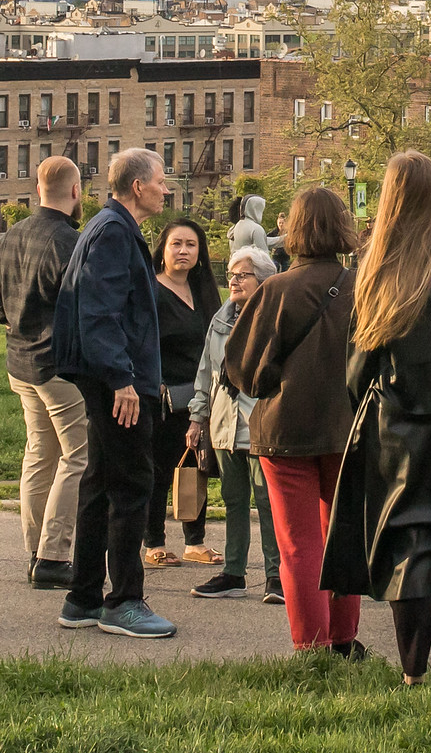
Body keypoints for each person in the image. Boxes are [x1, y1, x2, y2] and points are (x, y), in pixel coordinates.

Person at [324, 152, 431, 684]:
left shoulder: (382, 264)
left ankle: (413, 671)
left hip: (398, 423)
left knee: (408, 542)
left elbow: (359, 363)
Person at [225, 185, 363, 648]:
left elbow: (241, 367)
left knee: (298, 544)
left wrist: (270, 381)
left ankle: (311, 643)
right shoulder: (363, 289)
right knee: (341, 536)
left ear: (294, 229)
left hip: (284, 430)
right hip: (348, 429)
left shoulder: (275, 290)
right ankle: (343, 639)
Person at [51, 146, 176, 639]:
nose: (167, 189)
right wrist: (123, 379)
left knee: (101, 485)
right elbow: (99, 313)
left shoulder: (110, 228)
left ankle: (82, 597)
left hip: (113, 378)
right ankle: (123, 601)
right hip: (117, 384)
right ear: (138, 186)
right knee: (130, 487)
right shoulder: (113, 233)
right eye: (161, 181)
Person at [0, 156, 87, 590]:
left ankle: (35, 552)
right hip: (57, 367)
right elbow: (80, 311)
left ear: (37, 190)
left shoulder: (11, 234)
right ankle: (53, 556)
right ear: (76, 191)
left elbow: (1, 308)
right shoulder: (69, 242)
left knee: (39, 455)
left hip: (20, 361)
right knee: (78, 457)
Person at [186, 246, 283, 600]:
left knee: (268, 503)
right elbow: (206, 372)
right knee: (234, 500)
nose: (234, 281)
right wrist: (197, 418)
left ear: (263, 280)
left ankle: (277, 576)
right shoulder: (220, 319)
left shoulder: (275, 317)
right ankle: (233, 573)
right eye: (231, 274)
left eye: (243, 275)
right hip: (224, 424)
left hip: (262, 422)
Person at [144, 219, 223, 567]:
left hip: (201, 394)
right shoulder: (151, 290)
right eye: (176, 244)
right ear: (162, 249)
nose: (183, 251)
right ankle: (154, 542)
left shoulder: (203, 290)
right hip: (163, 397)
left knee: (195, 467)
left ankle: (195, 541)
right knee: (159, 470)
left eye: (191, 245)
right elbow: (142, 342)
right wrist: (156, 381)